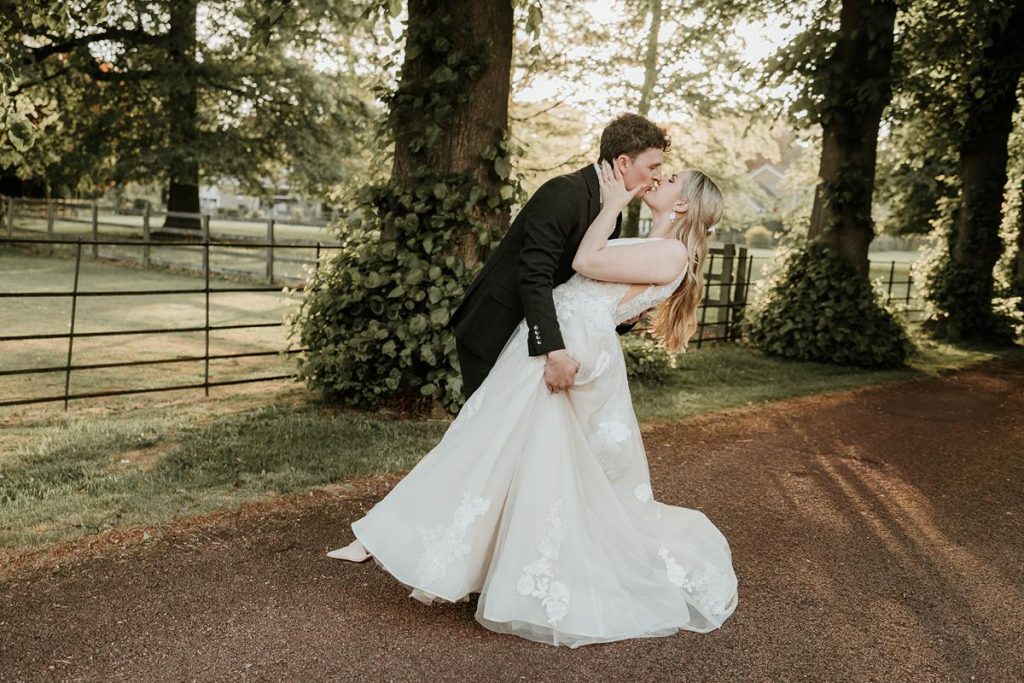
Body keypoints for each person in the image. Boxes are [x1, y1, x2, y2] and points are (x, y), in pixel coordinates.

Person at [327, 161, 739, 648]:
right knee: (500, 445)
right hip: (556, 339)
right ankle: (402, 540)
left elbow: (586, 264)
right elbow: (611, 288)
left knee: (495, 443)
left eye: (670, 180)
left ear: (684, 202)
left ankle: (386, 539)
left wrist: (610, 207)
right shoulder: (660, 241)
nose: (660, 179)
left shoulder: (671, 253)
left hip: (568, 348)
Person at [450, 113, 670, 400]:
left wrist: (625, 318)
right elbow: (534, 275)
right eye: (653, 166)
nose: (658, 176)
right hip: (496, 327)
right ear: (624, 163)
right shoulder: (563, 192)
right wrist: (553, 350)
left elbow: (586, 283)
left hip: (533, 327)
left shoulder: (610, 211)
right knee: (486, 431)